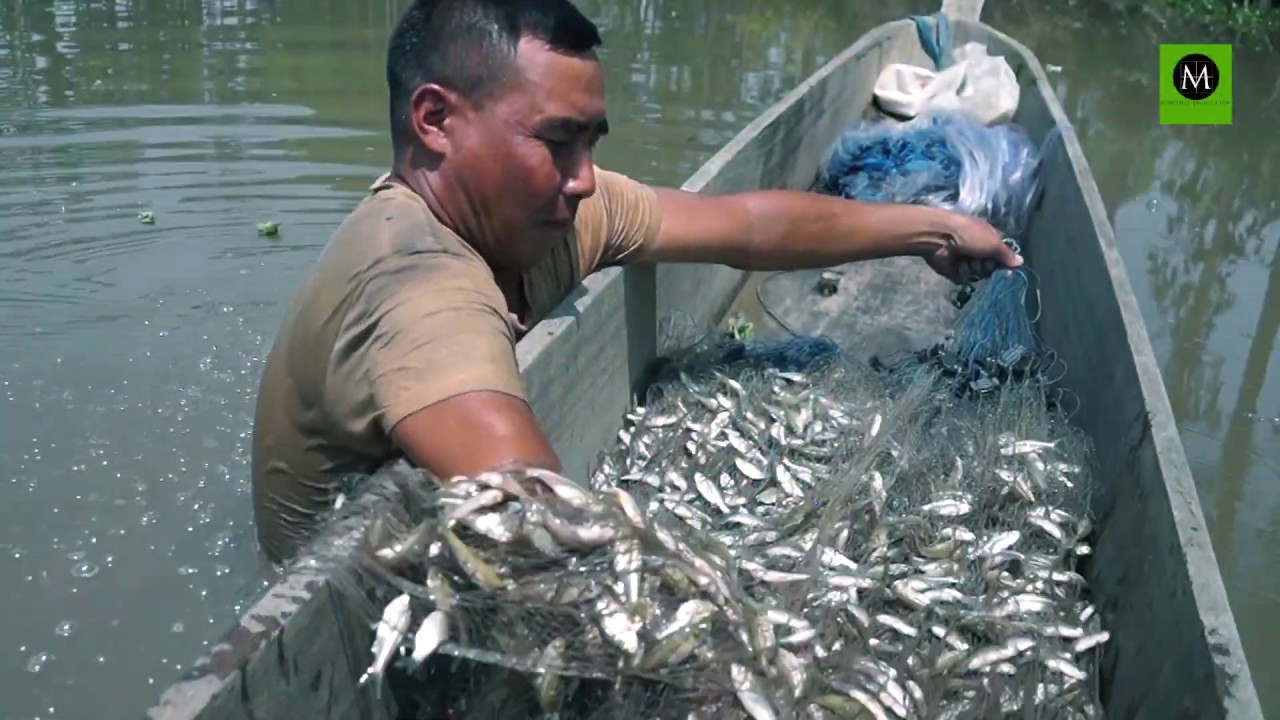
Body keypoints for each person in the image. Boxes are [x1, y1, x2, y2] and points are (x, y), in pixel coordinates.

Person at [250, 0, 1023, 565]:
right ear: (435, 120)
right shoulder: (419, 285)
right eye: (557, 141)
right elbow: (543, 519)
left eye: (590, 143)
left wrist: (929, 227)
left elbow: (748, 225)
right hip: (361, 602)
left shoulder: (543, 208)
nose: (585, 179)